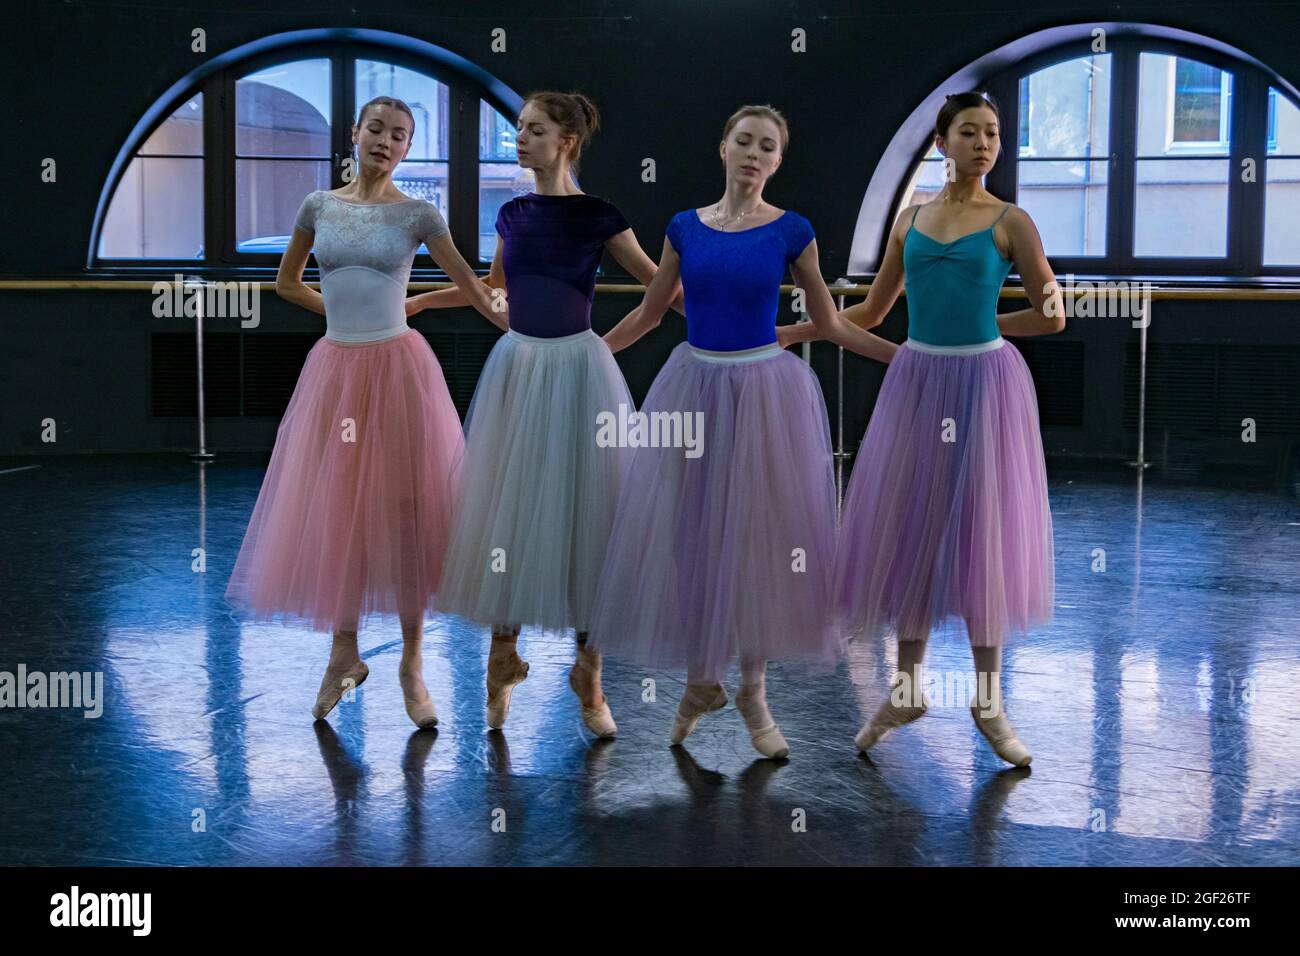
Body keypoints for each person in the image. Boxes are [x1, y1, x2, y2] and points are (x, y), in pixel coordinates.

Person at [587, 105, 896, 759]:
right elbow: (651, 312)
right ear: (723, 147)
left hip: (764, 394)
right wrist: (589, 355)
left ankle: (753, 691)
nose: (755, 154)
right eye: (745, 142)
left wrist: (904, 358)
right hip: (693, 387)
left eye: (768, 147)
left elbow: (829, 322)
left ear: (778, 161)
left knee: (760, 538)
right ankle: (702, 679)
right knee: (690, 532)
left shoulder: (792, 231)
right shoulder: (683, 227)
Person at [789, 91, 1063, 767]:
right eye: (969, 132)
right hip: (917, 385)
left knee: (983, 533)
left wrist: (986, 326)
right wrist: (794, 332)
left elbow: (1052, 314)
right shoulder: (909, 220)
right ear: (942, 142)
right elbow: (872, 312)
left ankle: (988, 703)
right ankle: (907, 689)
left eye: (992, 133)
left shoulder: (1012, 221)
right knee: (911, 526)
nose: (983, 143)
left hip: (985, 384)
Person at [225, 96, 506, 730]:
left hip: (400, 370)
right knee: (339, 505)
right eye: (376, 128)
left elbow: (473, 286)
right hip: (335, 369)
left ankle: (412, 662)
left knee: (408, 510)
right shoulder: (318, 206)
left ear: (408, 147)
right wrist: (341, 317)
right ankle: (343, 654)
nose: (385, 140)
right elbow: (286, 282)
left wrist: (524, 329)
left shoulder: (418, 214)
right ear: (355, 133)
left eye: (399, 135)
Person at [424, 91, 683, 737]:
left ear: (566, 141)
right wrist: (425, 302)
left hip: (580, 371)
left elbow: (660, 289)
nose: (520, 137)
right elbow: (496, 292)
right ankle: (502, 658)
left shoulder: (599, 216)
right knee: (510, 505)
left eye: (533, 129)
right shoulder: (512, 214)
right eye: (519, 127)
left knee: (591, 509)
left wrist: (732, 325)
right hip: (519, 367)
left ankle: (588, 671)